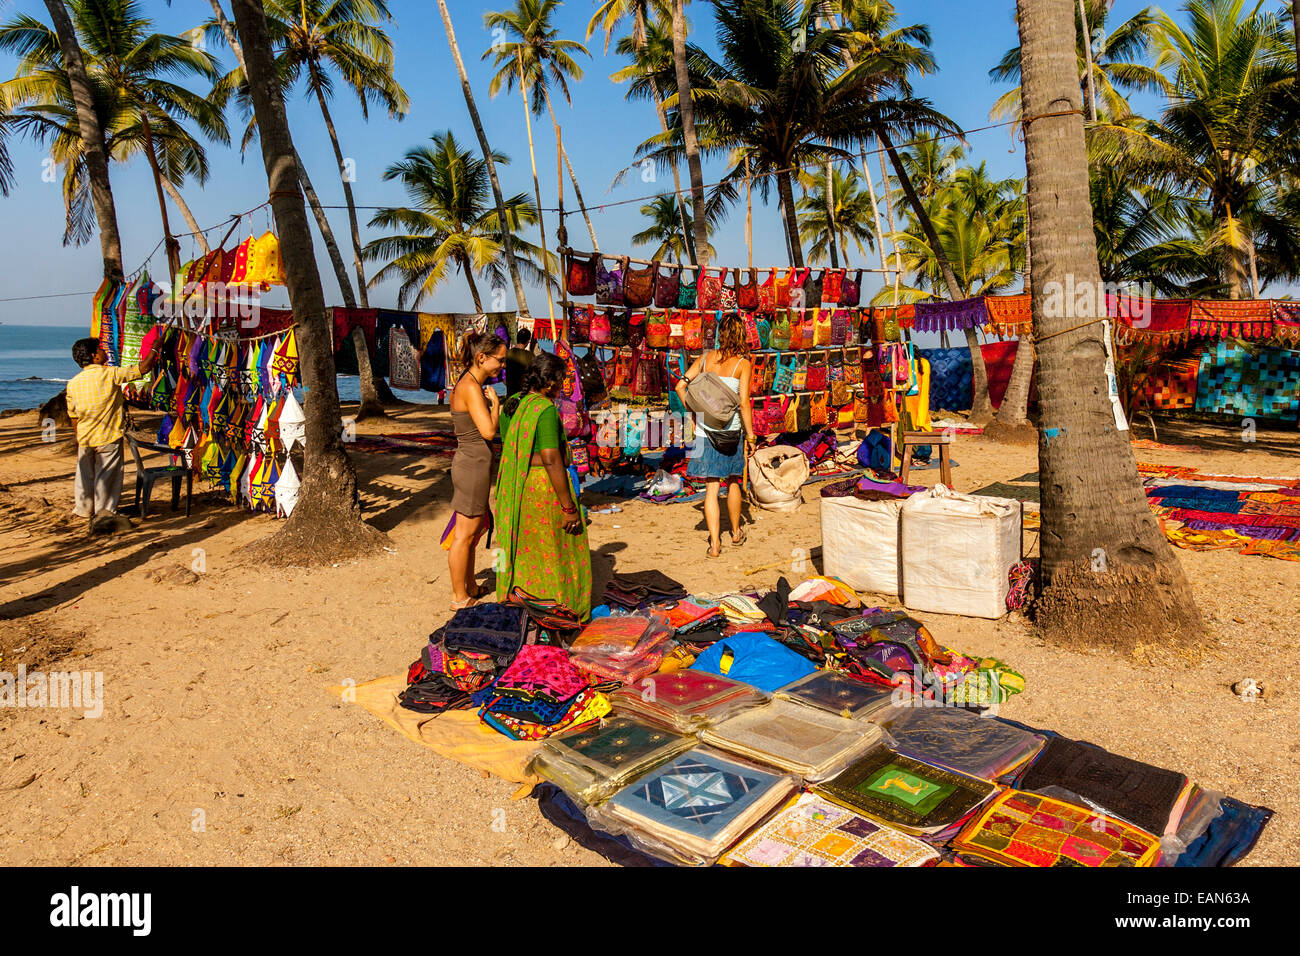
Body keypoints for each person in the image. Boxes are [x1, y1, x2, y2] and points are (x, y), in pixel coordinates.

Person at [495, 351, 592, 620]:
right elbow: (551, 459)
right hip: (542, 487)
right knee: (555, 549)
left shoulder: (512, 403)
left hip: (515, 485)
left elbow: (510, 447)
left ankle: (519, 599)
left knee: (524, 546)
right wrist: (568, 506)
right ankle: (558, 608)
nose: (562, 387)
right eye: (561, 381)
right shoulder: (545, 409)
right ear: (550, 382)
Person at [676, 314, 755, 558]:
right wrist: (751, 436)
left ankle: (714, 545)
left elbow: (680, 386)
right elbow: (743, 404)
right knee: (732, 480)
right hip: (730, 432)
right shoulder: (743, 364)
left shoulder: (704, 359)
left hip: (704, 431)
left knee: (711, 488)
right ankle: (735, 532)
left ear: (721, 333)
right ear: (741, 335)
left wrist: (693, 412)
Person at [66, 336, 161, 530]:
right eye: (100, 349)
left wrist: (78, 436)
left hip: (85, 437)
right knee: (106, 475)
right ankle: (105, 512)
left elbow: (73, 415)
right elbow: (142, 369)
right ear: (94, 356)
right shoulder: (110, 374)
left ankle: (84, 510)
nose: (105, 352)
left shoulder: (73, 383)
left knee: (85, 476)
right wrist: (155, 349)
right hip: (108, 435)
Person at [448, 331, 506, 609]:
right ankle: (459, 597)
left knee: (473, 532)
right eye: (500, 360)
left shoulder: (471, 383)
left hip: (476, 465)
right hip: (471, 466)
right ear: (482, 358)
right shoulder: (471, 387)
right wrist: (496, 406)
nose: (502, 366)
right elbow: (488, 430)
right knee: (464, 535)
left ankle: (470, 585)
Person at [505, 327, 534, 397]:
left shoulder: (507, 353)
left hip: (510, 392)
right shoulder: (530, 356)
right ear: (528, 341)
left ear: (517, 339)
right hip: (524, 394)